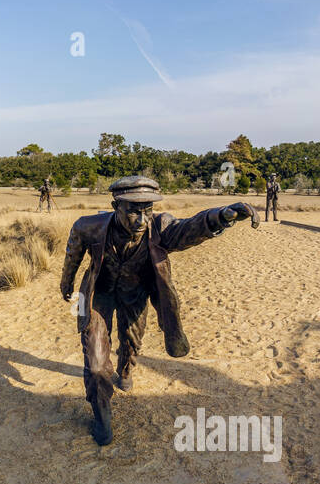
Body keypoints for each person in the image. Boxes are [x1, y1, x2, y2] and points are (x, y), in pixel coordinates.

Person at [59, 175, 258, 447]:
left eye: (147, 210)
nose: (141, 220)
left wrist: (220, 217)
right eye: (132, 211)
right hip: (98, 294)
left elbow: (189, 228)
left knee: (131, 341)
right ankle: (101, 412)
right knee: (95, 359)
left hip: (136, 292)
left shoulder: (159, 226)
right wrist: (66, 283)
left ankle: (125, 371)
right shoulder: (88, 226)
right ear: (115, 205)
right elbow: (73, 255)